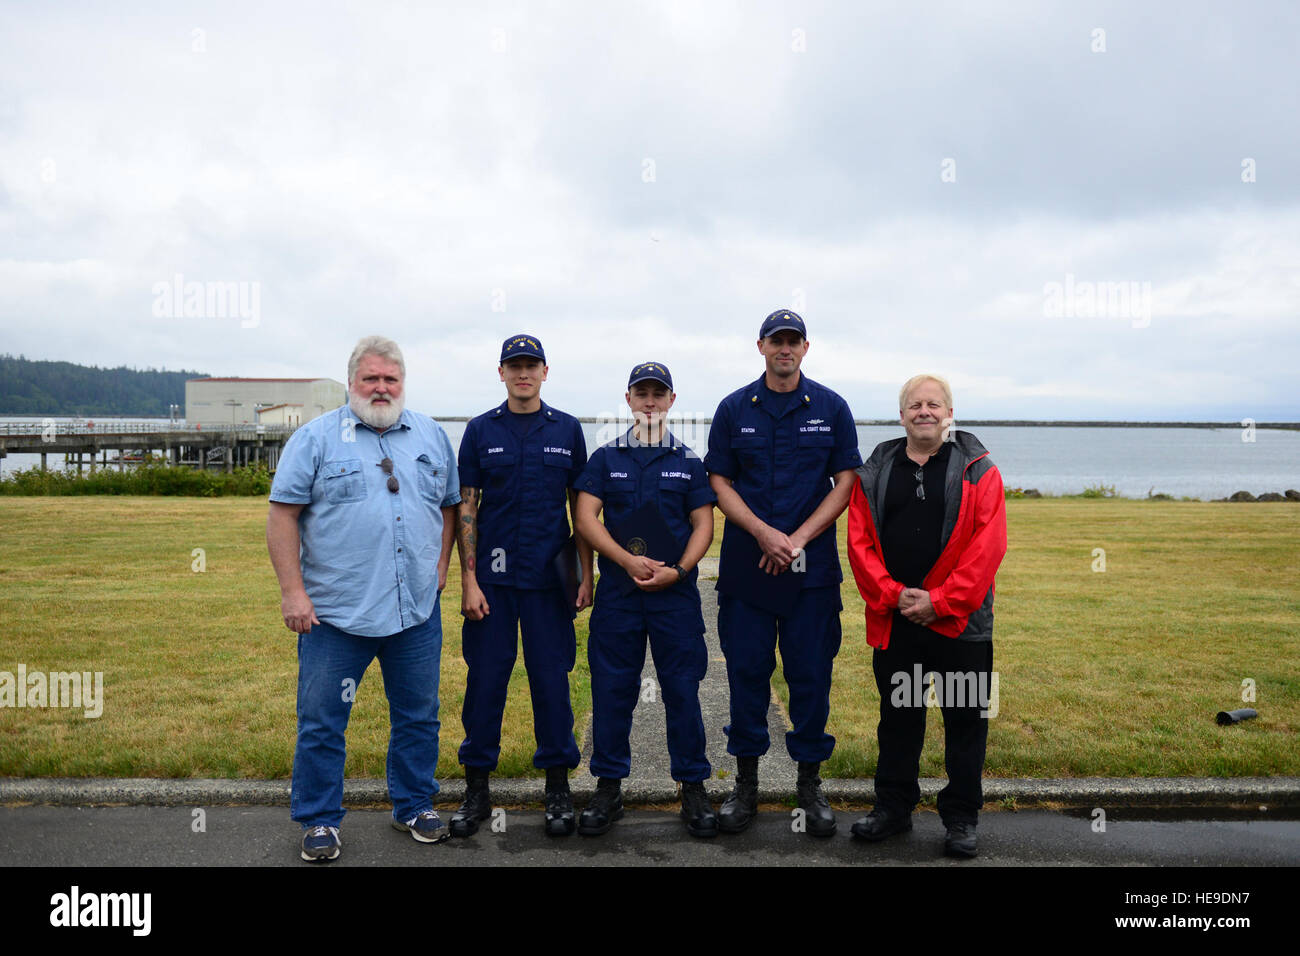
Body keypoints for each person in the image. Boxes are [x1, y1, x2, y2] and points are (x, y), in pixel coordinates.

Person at [266, 335, 460, 863]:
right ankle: (320, 819)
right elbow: (283, 514)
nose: (380, 388)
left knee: (419, 716)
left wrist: (441, 565)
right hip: (335, 615)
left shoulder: (430, 436)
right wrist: (293, 593)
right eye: (370, 378)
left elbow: (449, 506)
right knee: (323, 721)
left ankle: (414, 805)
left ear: (403, 382)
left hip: (414, 611)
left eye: (390, 379)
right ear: (351, 381)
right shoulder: (315, 440)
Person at [704, 310, 862, 837]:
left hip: (811, 571)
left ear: (806, 347)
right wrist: (764, 535)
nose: (785, 349)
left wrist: (794, 540)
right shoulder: (733, 408)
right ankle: (745, 784)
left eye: (794, 341)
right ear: (761, 346)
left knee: (810, 678)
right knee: (747, 674)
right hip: (749, 568)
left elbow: (844, 483)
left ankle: (809, 784)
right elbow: (720, 482)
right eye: (777, 340)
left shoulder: (832, 408)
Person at [845, 374, 1007, 858]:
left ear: (949, 414)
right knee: (898, 719)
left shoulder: (980, 470)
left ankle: (961, 817)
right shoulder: (875, 471)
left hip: (961, 626)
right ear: (902, 415)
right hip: (897, 622)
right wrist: (894, 596)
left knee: (965, 722)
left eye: (934, 404)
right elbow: (859, 542)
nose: (924, 411)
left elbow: (987, 548)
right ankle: (893, 809)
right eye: (914, 405)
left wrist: (938, 601)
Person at [451, 334, 593, 838]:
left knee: (551, 681)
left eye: (531, 365)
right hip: (491, 579)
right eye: (514, 366)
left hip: (547, 580)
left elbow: (583, 508)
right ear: (502, 373)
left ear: (545, 372)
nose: (523, 373)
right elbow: (467, 505)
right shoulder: (480, 430)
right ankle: (477, 790)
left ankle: (557, 788)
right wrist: (467, 579)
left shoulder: (568, 430)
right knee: (486, 682)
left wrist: (585, 572)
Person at [573, 362, 718, 837]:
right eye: (643, 393)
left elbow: (703, 524)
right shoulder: (605, 458)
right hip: (620, 594)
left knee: (682, 691)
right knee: (613, 691)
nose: (651, 402)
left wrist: (678, 571)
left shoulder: (689, 460)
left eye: (660, 394)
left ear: (672, 401)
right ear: (630, 400)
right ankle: (609, 788)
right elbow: (587, 517)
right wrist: (625, 561)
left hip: (674, 597)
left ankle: (692, 788)